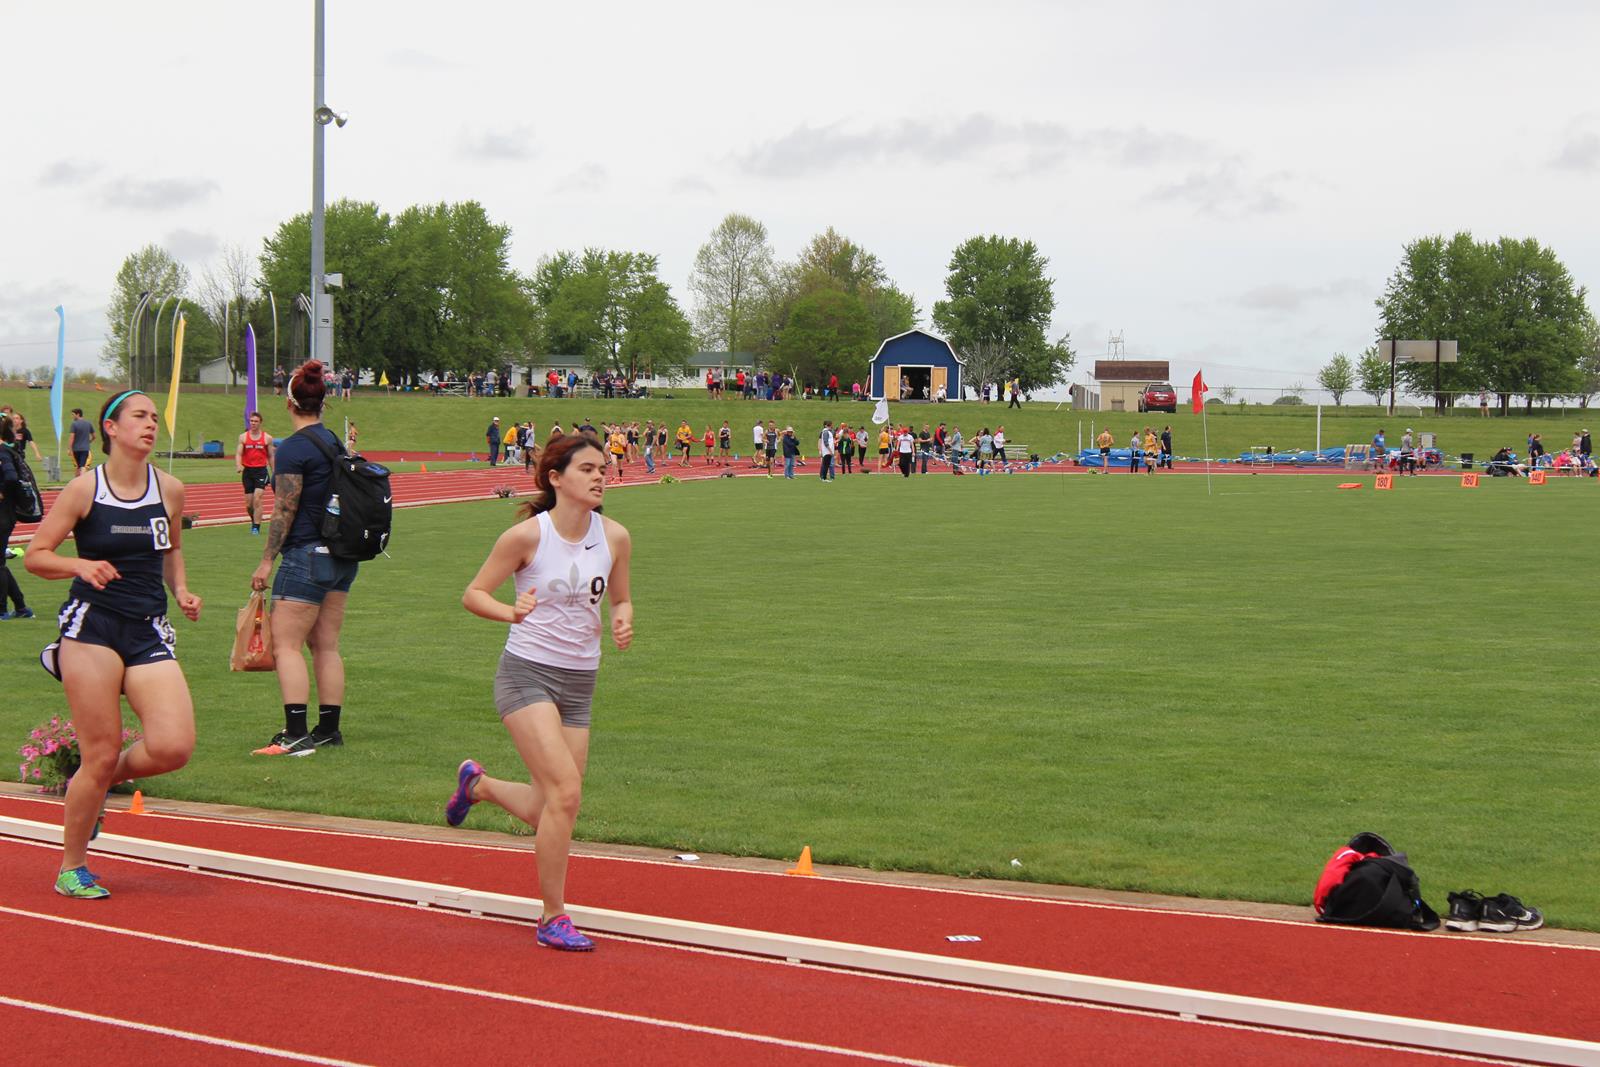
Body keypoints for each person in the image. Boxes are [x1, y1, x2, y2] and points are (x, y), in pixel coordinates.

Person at [447, 434, 632, 951]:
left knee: (554, 804)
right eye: (589, 469)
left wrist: (622, 620)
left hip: (580, 680)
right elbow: (473, 593)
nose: (601, 477)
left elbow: (620, 599)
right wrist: (511, 611)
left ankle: (477, 786)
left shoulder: (614, 536)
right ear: (556, 478)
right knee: (566, 794)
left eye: (604, 468)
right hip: (526, 672)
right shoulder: (528, 536)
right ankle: (553, 916)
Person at [24, 390, 202, 897]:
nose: (150, 425)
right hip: (93, 628)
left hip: (147, 626)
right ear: (111, 427)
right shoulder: (85, 490)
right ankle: (72, 867)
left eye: (153, 417)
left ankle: (97, 789)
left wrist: (182, 590)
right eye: (139, 417)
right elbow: (37, 555)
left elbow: (171, 552)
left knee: (173, 746)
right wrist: (79, 564)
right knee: (99, 752)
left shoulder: (170, 489)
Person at [249, 361, 359, 756]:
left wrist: (266, 560)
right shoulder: (333, 441)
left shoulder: (292, 448)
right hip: (342, 554)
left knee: (287, 645)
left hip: (306, 554)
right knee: (326, 645)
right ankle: (328, 729)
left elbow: (284, 509)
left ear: (289, 402)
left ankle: (296, 733)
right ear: (322, 403)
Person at [0, 417, 35, 619]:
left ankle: (2, 610)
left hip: (4, 513)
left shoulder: (3, 452)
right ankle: (21, 607)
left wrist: (3, 492)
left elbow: (11, 477)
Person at [236, 412, 276, 535]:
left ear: (260, 423)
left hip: (261, 471)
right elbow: (238, 453)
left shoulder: (267, 438)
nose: (253, 423)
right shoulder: (243, 437)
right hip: (248, 472)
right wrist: (238, 465)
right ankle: (254, 520)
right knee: (249, 504)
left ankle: (256, 528)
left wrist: (274, 471)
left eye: (256, 421)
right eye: (251, 421)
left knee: (257, 499)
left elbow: (270, 455)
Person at [68, 408, 95, 477]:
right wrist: (89, 441)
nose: (72, 416)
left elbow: (72, 437)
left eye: (73, 415)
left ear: (78, 414)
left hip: (76, 449)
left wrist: (70, 449)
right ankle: (82, 480)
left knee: (78, 466)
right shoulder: (88, 423)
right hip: (85, 449)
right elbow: (94, 436)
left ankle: (76, 482)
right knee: (83, 465)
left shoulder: (74, 424)